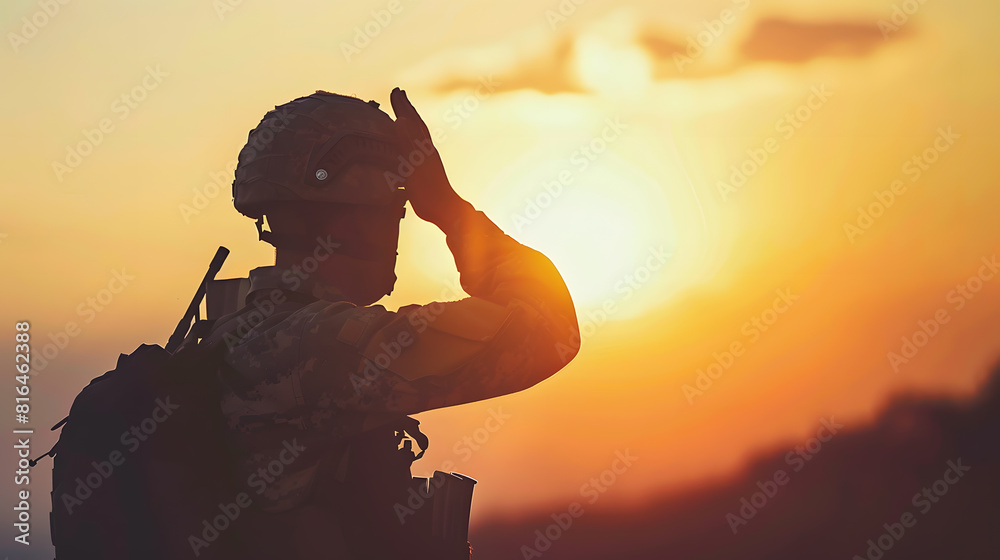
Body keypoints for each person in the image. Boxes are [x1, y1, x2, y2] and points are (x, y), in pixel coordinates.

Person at [203, 87, 580, 558]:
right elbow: (546, 328)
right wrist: (446, 208)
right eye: (394, 212)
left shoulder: (236, 333)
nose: (396, 230)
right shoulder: (318, 345)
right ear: (354, 223)